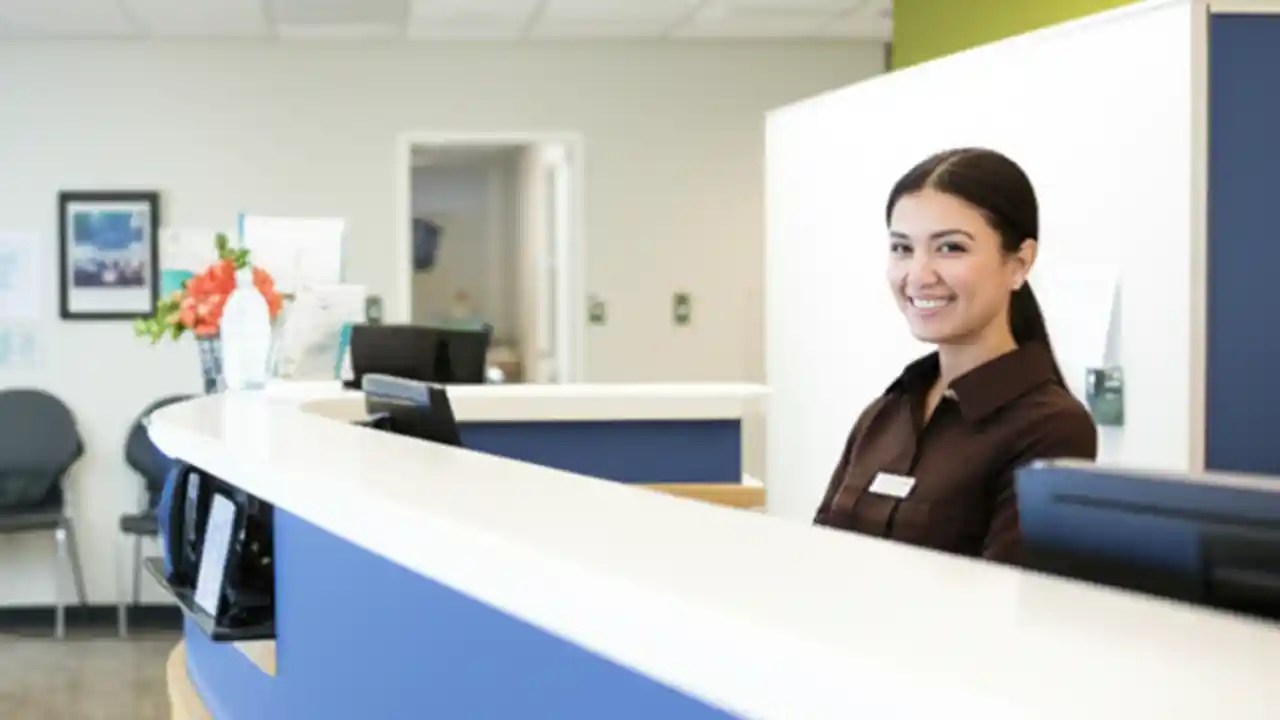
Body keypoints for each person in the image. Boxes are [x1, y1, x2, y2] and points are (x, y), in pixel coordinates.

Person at [813, 147, 1097, 564]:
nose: (918, 276)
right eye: (902, 248)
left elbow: (1011, 596)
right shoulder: (885, 414)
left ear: (1019, 263)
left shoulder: (1052, 428)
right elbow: (819, 561)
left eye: (950, 248)